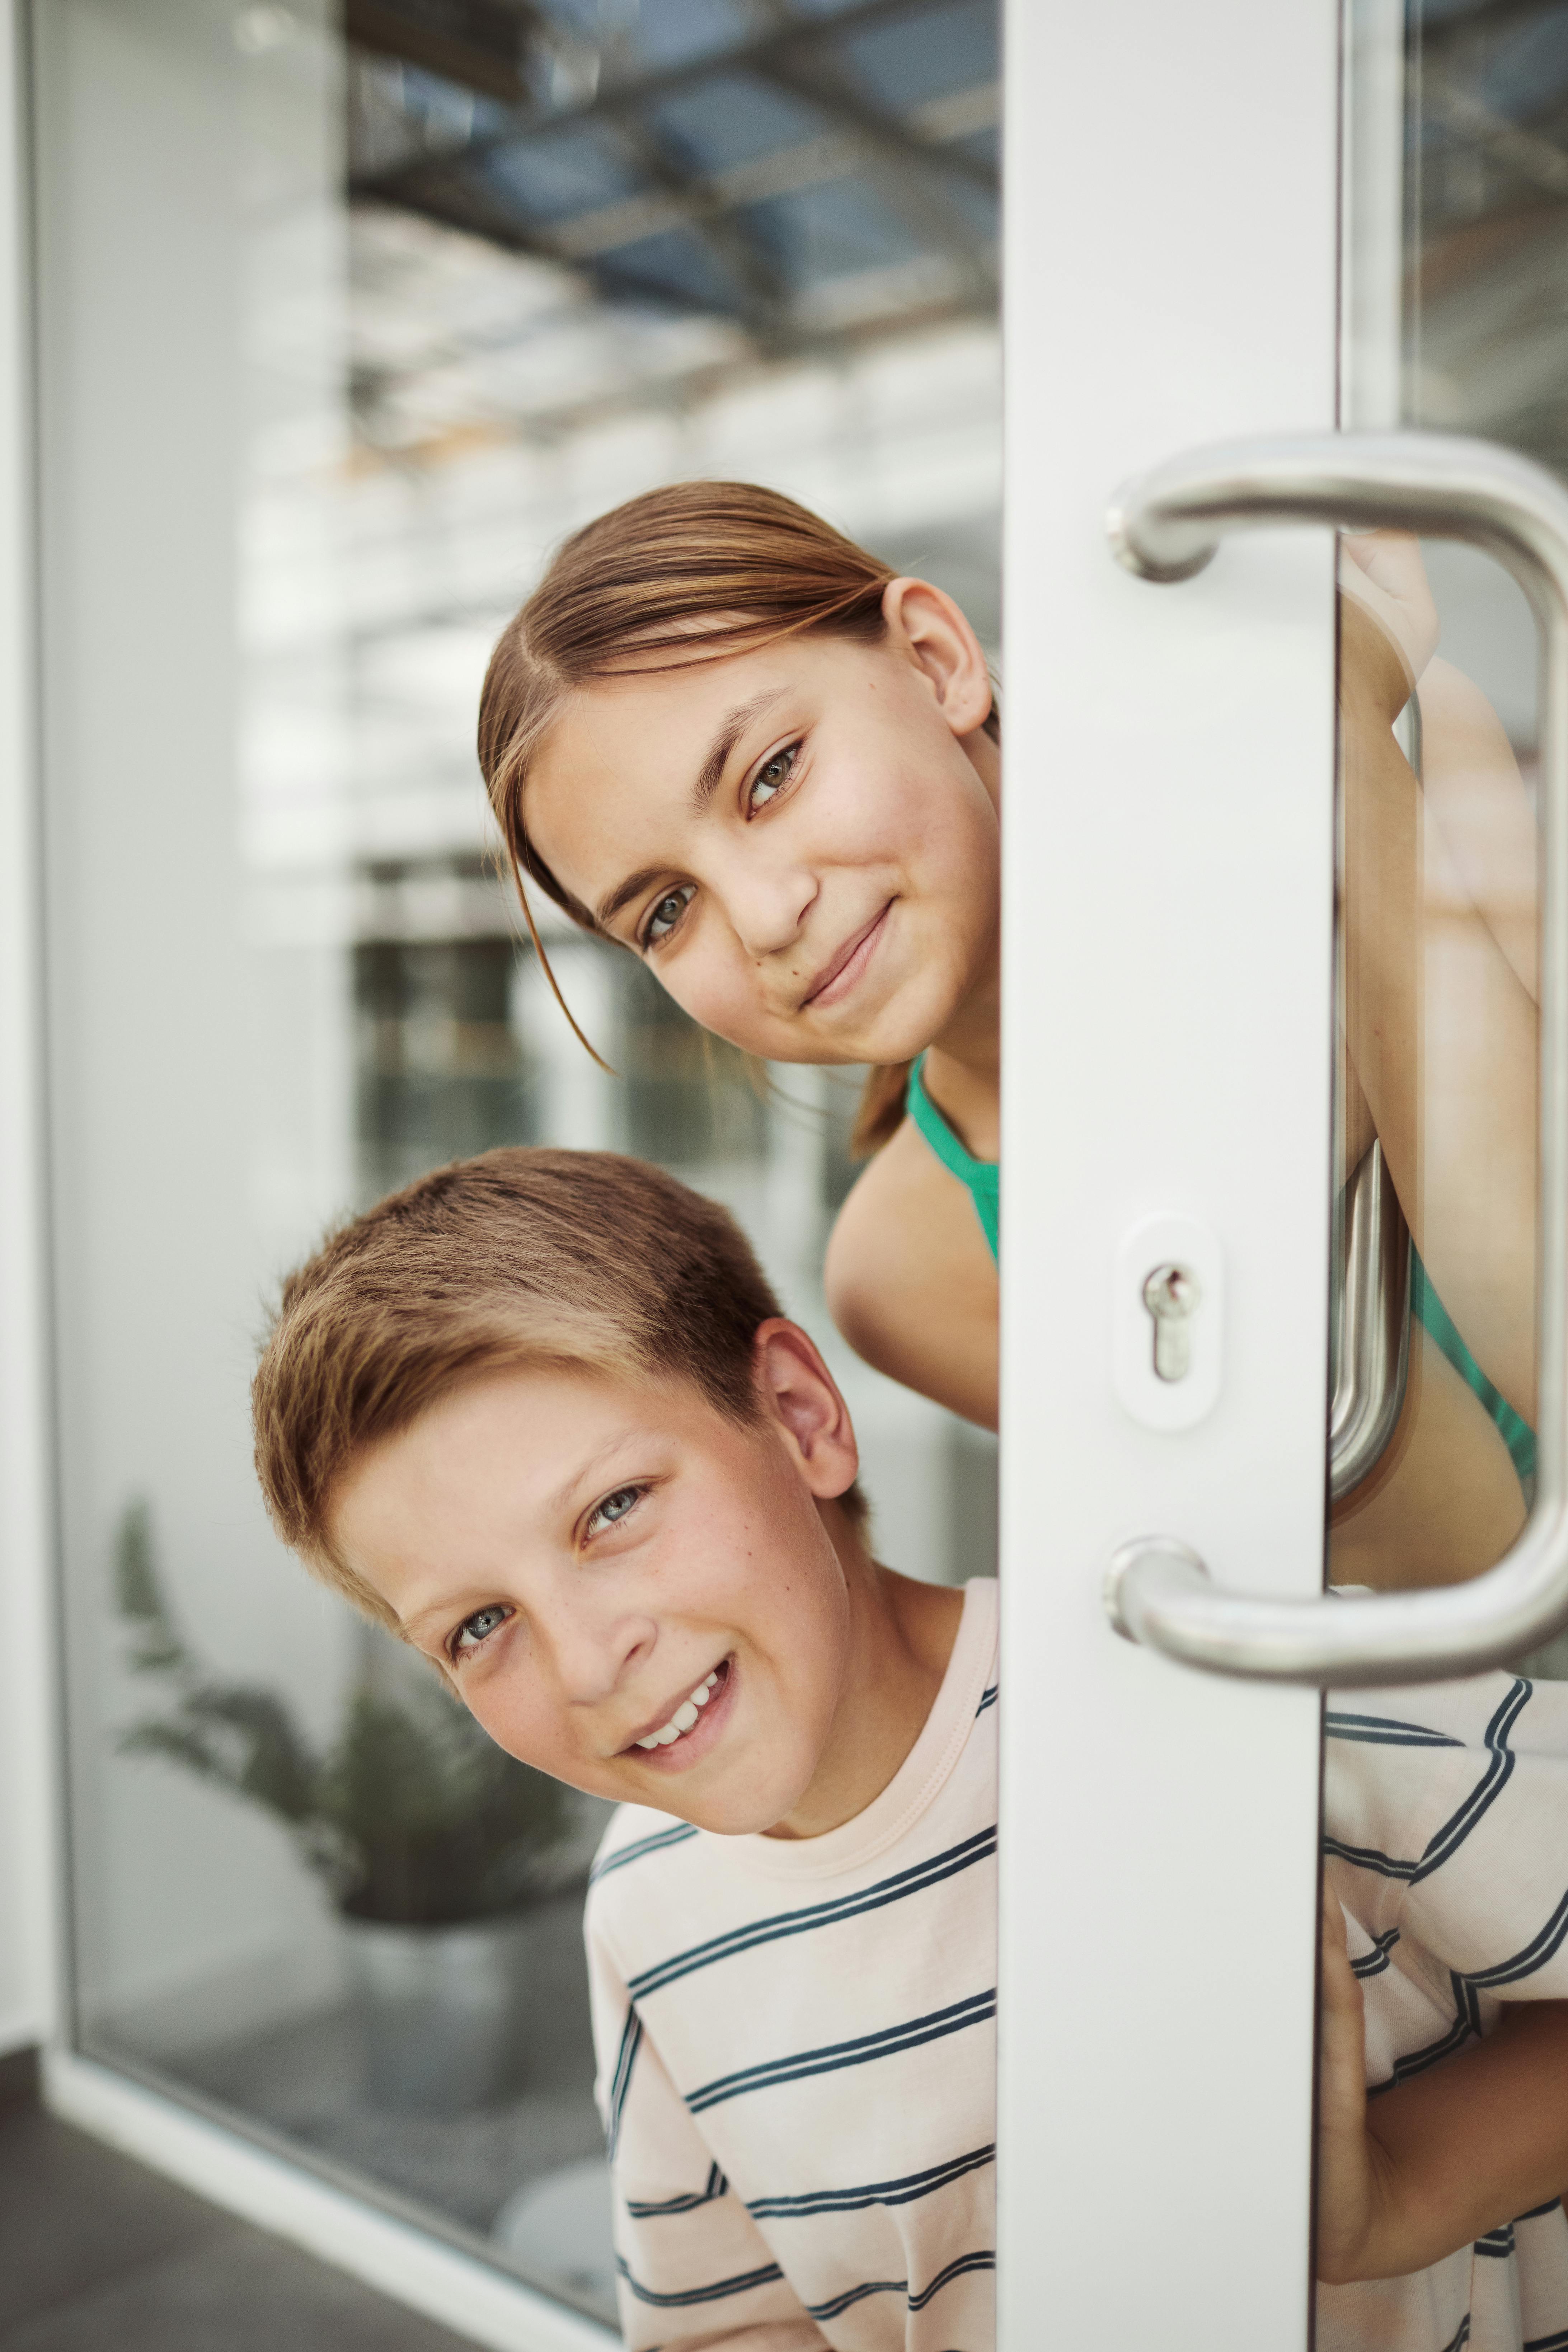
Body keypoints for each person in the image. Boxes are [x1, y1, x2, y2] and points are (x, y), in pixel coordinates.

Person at [250, 1146, 1568, 2352]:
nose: (589, 1661)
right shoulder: (646, 1907)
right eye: (481, 1624)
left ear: (800, 1415)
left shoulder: (1250, 1698)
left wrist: (1397, 2196)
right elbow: (727, 2318)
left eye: (612, 1509)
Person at [475, 483, 1539, 1590]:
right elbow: (1455, 1542)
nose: (761, 914)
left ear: (936, 660)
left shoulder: (1369, 767)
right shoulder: (908, 1271)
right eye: (664, 910)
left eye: (772, 774)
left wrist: (1337, 722)